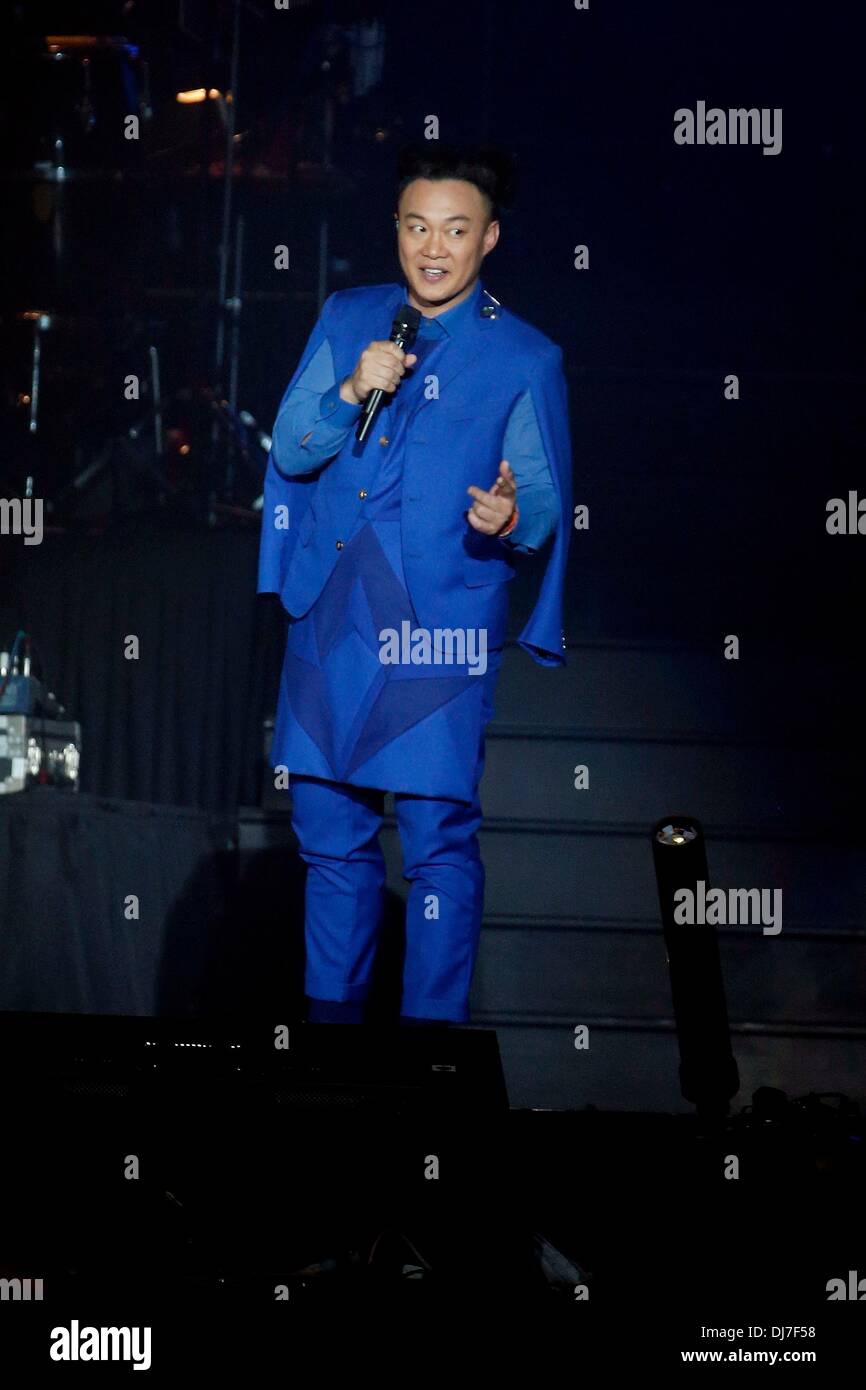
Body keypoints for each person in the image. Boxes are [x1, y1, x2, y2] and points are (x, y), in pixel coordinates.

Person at [257, 144, 573, 1026]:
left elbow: (541, 499)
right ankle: (331, 1037)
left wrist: (508, 517)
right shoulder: (347, 315)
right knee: (328, 838)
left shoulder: (524, 355)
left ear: (490, 238)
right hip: (332, 611)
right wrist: (351, 385)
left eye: (457, 230)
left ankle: (432, 1052)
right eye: (418, 227)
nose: (434, 248)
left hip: (440, 625)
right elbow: (291, 449)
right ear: (397, 230)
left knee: (436, 844)